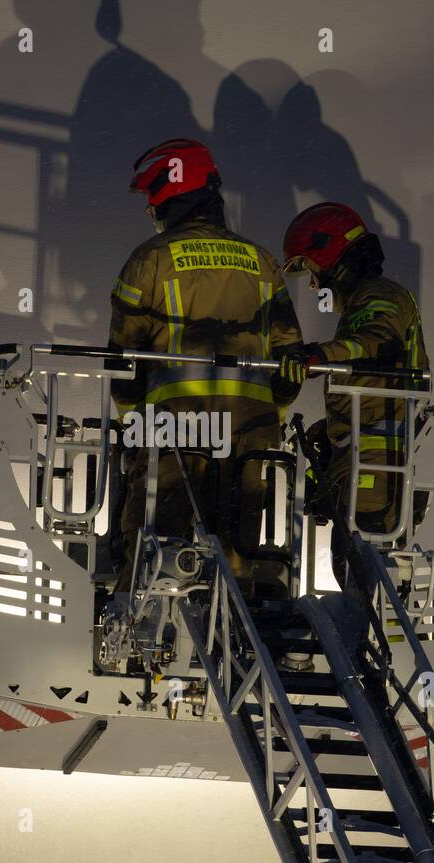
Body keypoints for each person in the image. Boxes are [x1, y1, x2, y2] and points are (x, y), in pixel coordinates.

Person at [108, 138, 302, 600]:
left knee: (158, 541)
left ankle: (148, 628)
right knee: (238, 547)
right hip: (251, 431)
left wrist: (131, 421)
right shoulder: (262, 262)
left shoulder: (150, 259)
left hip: (177, 426)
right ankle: (235, 636)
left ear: (167, 193)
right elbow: (290, 357)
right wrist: (269, 414)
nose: (150, 209)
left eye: (152, 198)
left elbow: (122, 360)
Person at [278, 202, 431, 588]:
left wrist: (318, 356)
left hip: (379, 473)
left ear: (329, 255)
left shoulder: (380, 296)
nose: (314, 286)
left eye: (312, 271)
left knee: (368, 585)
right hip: (370, 468)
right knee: (357, 578)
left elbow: (375, 341)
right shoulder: (373, 298)